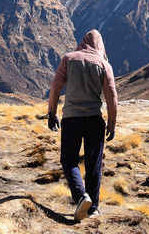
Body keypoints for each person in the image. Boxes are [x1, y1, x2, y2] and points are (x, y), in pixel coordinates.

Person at [47, 29, 118, 221]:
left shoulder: (68, 59)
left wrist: (52, 113)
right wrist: (112, 123)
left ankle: (80, 197)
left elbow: (55, 87)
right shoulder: (104, 64)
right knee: (93, 164)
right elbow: (111, 96)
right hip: (95, 120)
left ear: (83, 42)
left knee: (69, 160)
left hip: (71, 119)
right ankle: (93, 208)